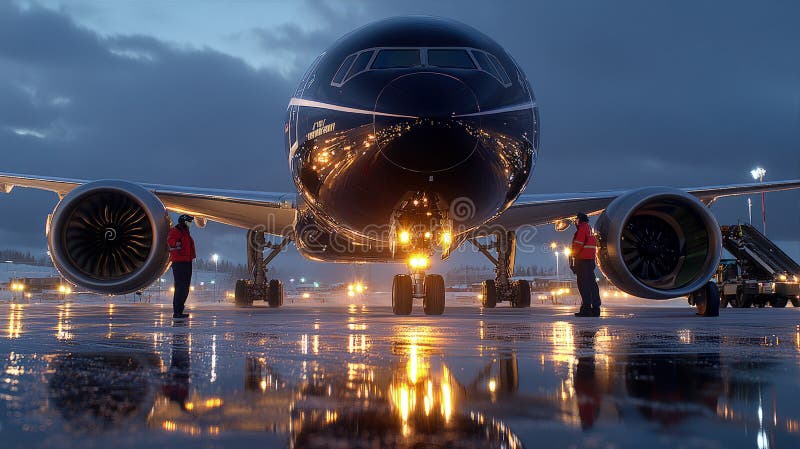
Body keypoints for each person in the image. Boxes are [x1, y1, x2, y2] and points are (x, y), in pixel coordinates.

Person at [570, 212, 601, 317]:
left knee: (583, 285)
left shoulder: (582, 228)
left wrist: (573, 256)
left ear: (580, 220)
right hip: (590, 260)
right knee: (592, 284)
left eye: (577, 220)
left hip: (582, 260)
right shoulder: (589, 229)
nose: (576, 222)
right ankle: (595, 308)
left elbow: (578, 244)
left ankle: (586, 308)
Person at [168, 214, 196, 319]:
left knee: (185, 288)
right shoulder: (175, 231)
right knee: (180, 287)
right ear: (183, 222)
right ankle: (177, 312)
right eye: (188, 222)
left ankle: (180, 310)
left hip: (187, 261)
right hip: (179, 262)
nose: (189, 224)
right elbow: (171, 241)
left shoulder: (186, 233)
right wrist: (176, 244)